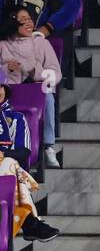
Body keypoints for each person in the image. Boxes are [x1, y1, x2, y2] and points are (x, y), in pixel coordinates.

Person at [0, 0, 80, 165]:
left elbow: (71, 6)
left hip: (47, 36)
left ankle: (47, 144)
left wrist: (45, 29)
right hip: (8, 38)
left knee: (46, 90)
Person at [0, 4, 58, 165]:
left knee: (48, 96)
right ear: (13, 23)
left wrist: (36, 70)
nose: (28, 23)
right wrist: (6, 68)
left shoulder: (42, 44)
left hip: (36, 91)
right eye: (23, 20)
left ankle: (48, 146)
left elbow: (54, 73)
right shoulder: (2, 45)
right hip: (10, 92)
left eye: (30, 19)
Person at [0, 80, 56, 241]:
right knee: (10, 166)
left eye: (0, 86)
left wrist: (2, 154)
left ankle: (29, 223)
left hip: (4, 170)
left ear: (5, 90)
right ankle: (30, 223)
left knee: (9, 163)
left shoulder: (17, 118)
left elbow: (23, 151)